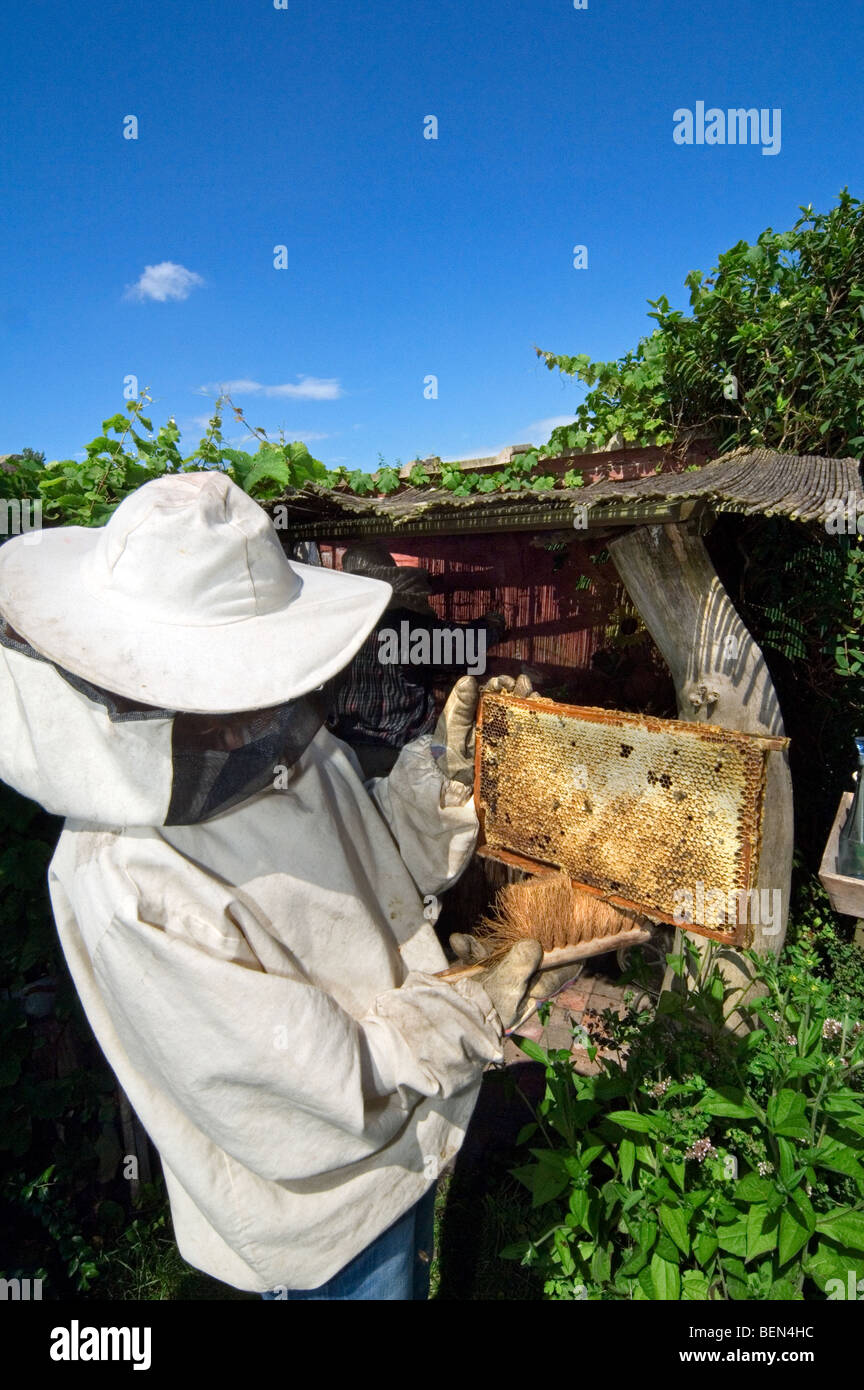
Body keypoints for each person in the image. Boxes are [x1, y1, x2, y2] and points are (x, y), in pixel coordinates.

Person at [0, 471, 542, 1300]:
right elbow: (309, 1091)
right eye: (236, 680)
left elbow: (382, 874)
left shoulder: (285, 749)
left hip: (409, 1136)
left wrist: (443, 773)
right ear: (139, 678)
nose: (264, 705)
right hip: (321, 1223)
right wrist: (467, 1013)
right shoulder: (124, 878)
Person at [326, 542, 507, 778]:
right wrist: (494, 623)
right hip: (398, 757)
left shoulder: (335, 629)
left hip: (341, 755)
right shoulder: (409, 627)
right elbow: (466, 644)